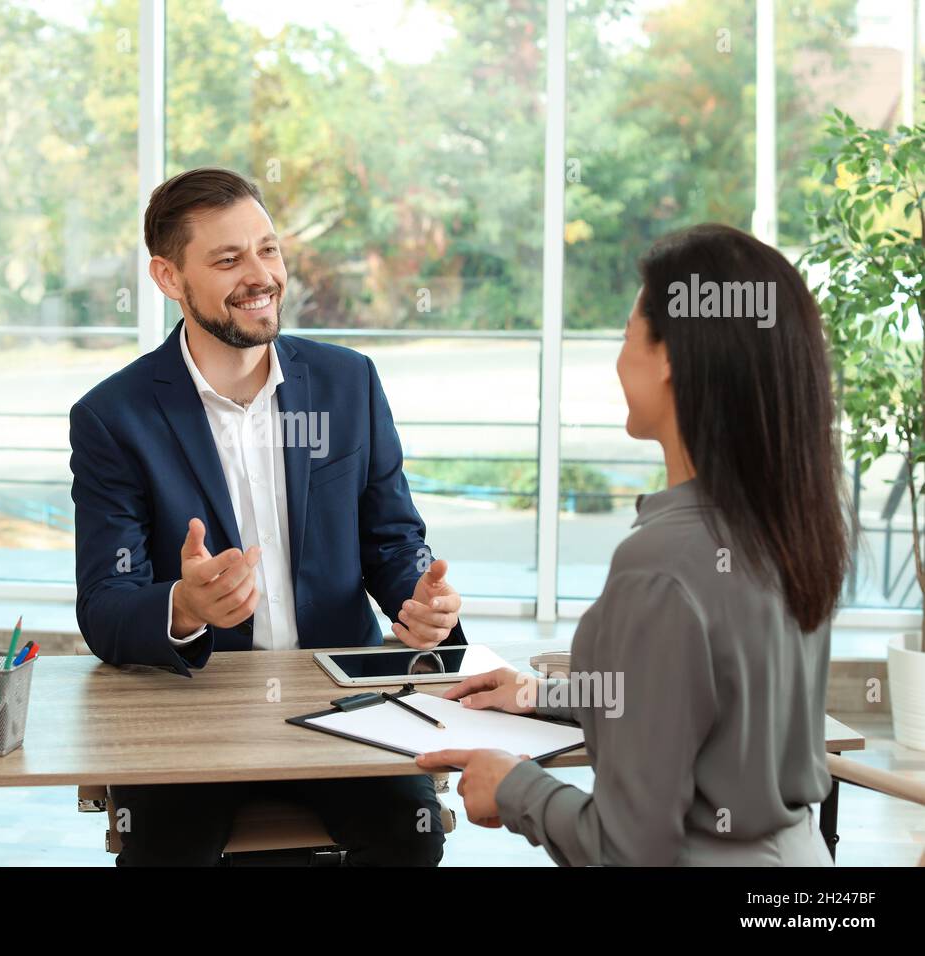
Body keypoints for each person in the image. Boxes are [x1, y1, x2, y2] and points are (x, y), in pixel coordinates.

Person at [70, 166, 466, 865]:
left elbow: (393, 542)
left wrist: (421, 603)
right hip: (192, 712)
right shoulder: (114, 418)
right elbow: (105, 607)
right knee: (161, 851)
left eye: (268, 249)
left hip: (341, 705)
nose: (260, 276)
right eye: (228, 260)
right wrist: (185, 607)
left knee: (413, 840)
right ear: (168, 277)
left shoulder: (347, 383)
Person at [419, 223, 848, 866]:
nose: (618, 359)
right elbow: (696, 699)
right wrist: (540, 695)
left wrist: (515, 788)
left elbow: (629, 850)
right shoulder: (787, 524)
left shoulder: (661, 565)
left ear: (670, 356)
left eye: (627, 335)